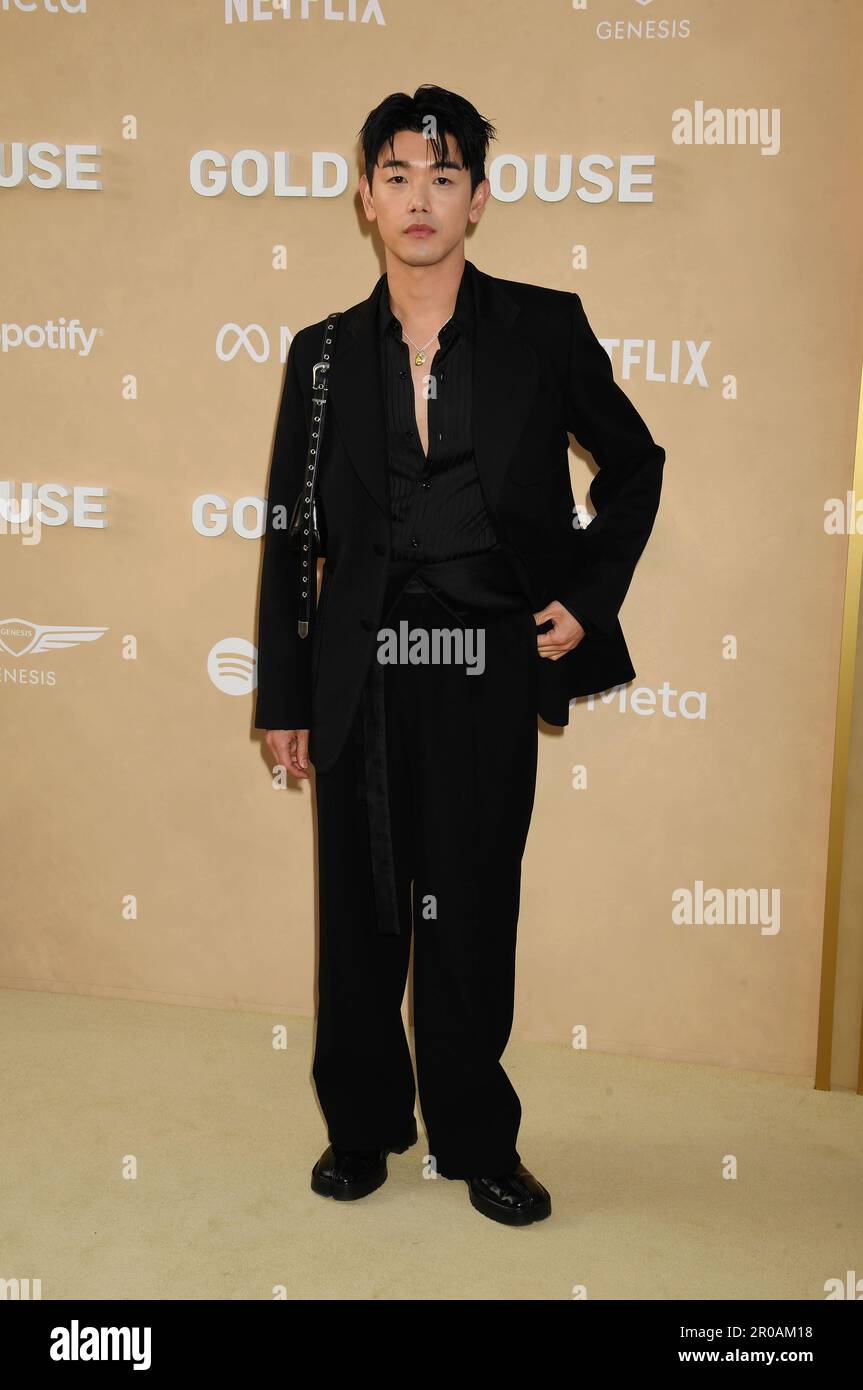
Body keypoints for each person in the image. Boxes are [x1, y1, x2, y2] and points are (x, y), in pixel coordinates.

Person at [254, 85, 665, 1226]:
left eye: (442, 177)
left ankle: (478, 1140)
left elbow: (634, 463)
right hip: (360, 670)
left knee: (470, 906)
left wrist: (585, 596)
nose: (418, 197)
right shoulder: (323, 356)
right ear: (363, 197)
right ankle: (364, 1127)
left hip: (485, 656)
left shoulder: (542, 326)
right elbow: (292, 530)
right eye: (396, 175)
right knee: (361, 911)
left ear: (477, 199)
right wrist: (282, 694)